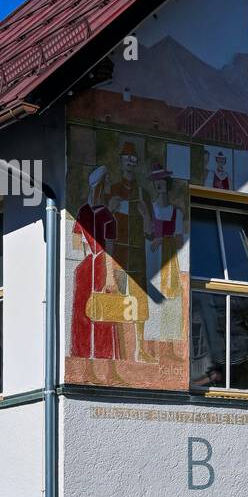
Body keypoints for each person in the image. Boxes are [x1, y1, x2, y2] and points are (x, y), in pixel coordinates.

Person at [70, 165, 119, 371]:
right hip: (99, 266)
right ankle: (103, 356)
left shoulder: (82, 211)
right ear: (101, 185)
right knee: (102, 312)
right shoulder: (107, 215)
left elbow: (76, 243)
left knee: (84, 310)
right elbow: (110, 251)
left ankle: (82, 353)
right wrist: (111, 277)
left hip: (86, 265)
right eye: (107, 182)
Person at [107, 141, 152, 362]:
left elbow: (151, 232)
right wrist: (113, 207)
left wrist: (144, 216)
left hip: (137, 252)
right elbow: (104, 222)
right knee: (118, 297)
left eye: (133, 159)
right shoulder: (113, 189)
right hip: (117, 251)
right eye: (126, 158)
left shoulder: (143, 193)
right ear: (121, 161)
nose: (130, 162)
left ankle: (139, 348)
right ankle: (118, 351)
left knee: (138, 299)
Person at [144, 163, 184, 353]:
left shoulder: (176, 213)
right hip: (152, 258)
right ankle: (150, 345)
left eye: (161, 181)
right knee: (150, 296)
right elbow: (145, 233)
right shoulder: (149, 210)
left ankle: (169, 345)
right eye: (155, 181)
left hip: (168, 259)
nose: (158, 184)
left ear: (167, 184)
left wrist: (162, 240)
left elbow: (179, 241)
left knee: (170, 297)